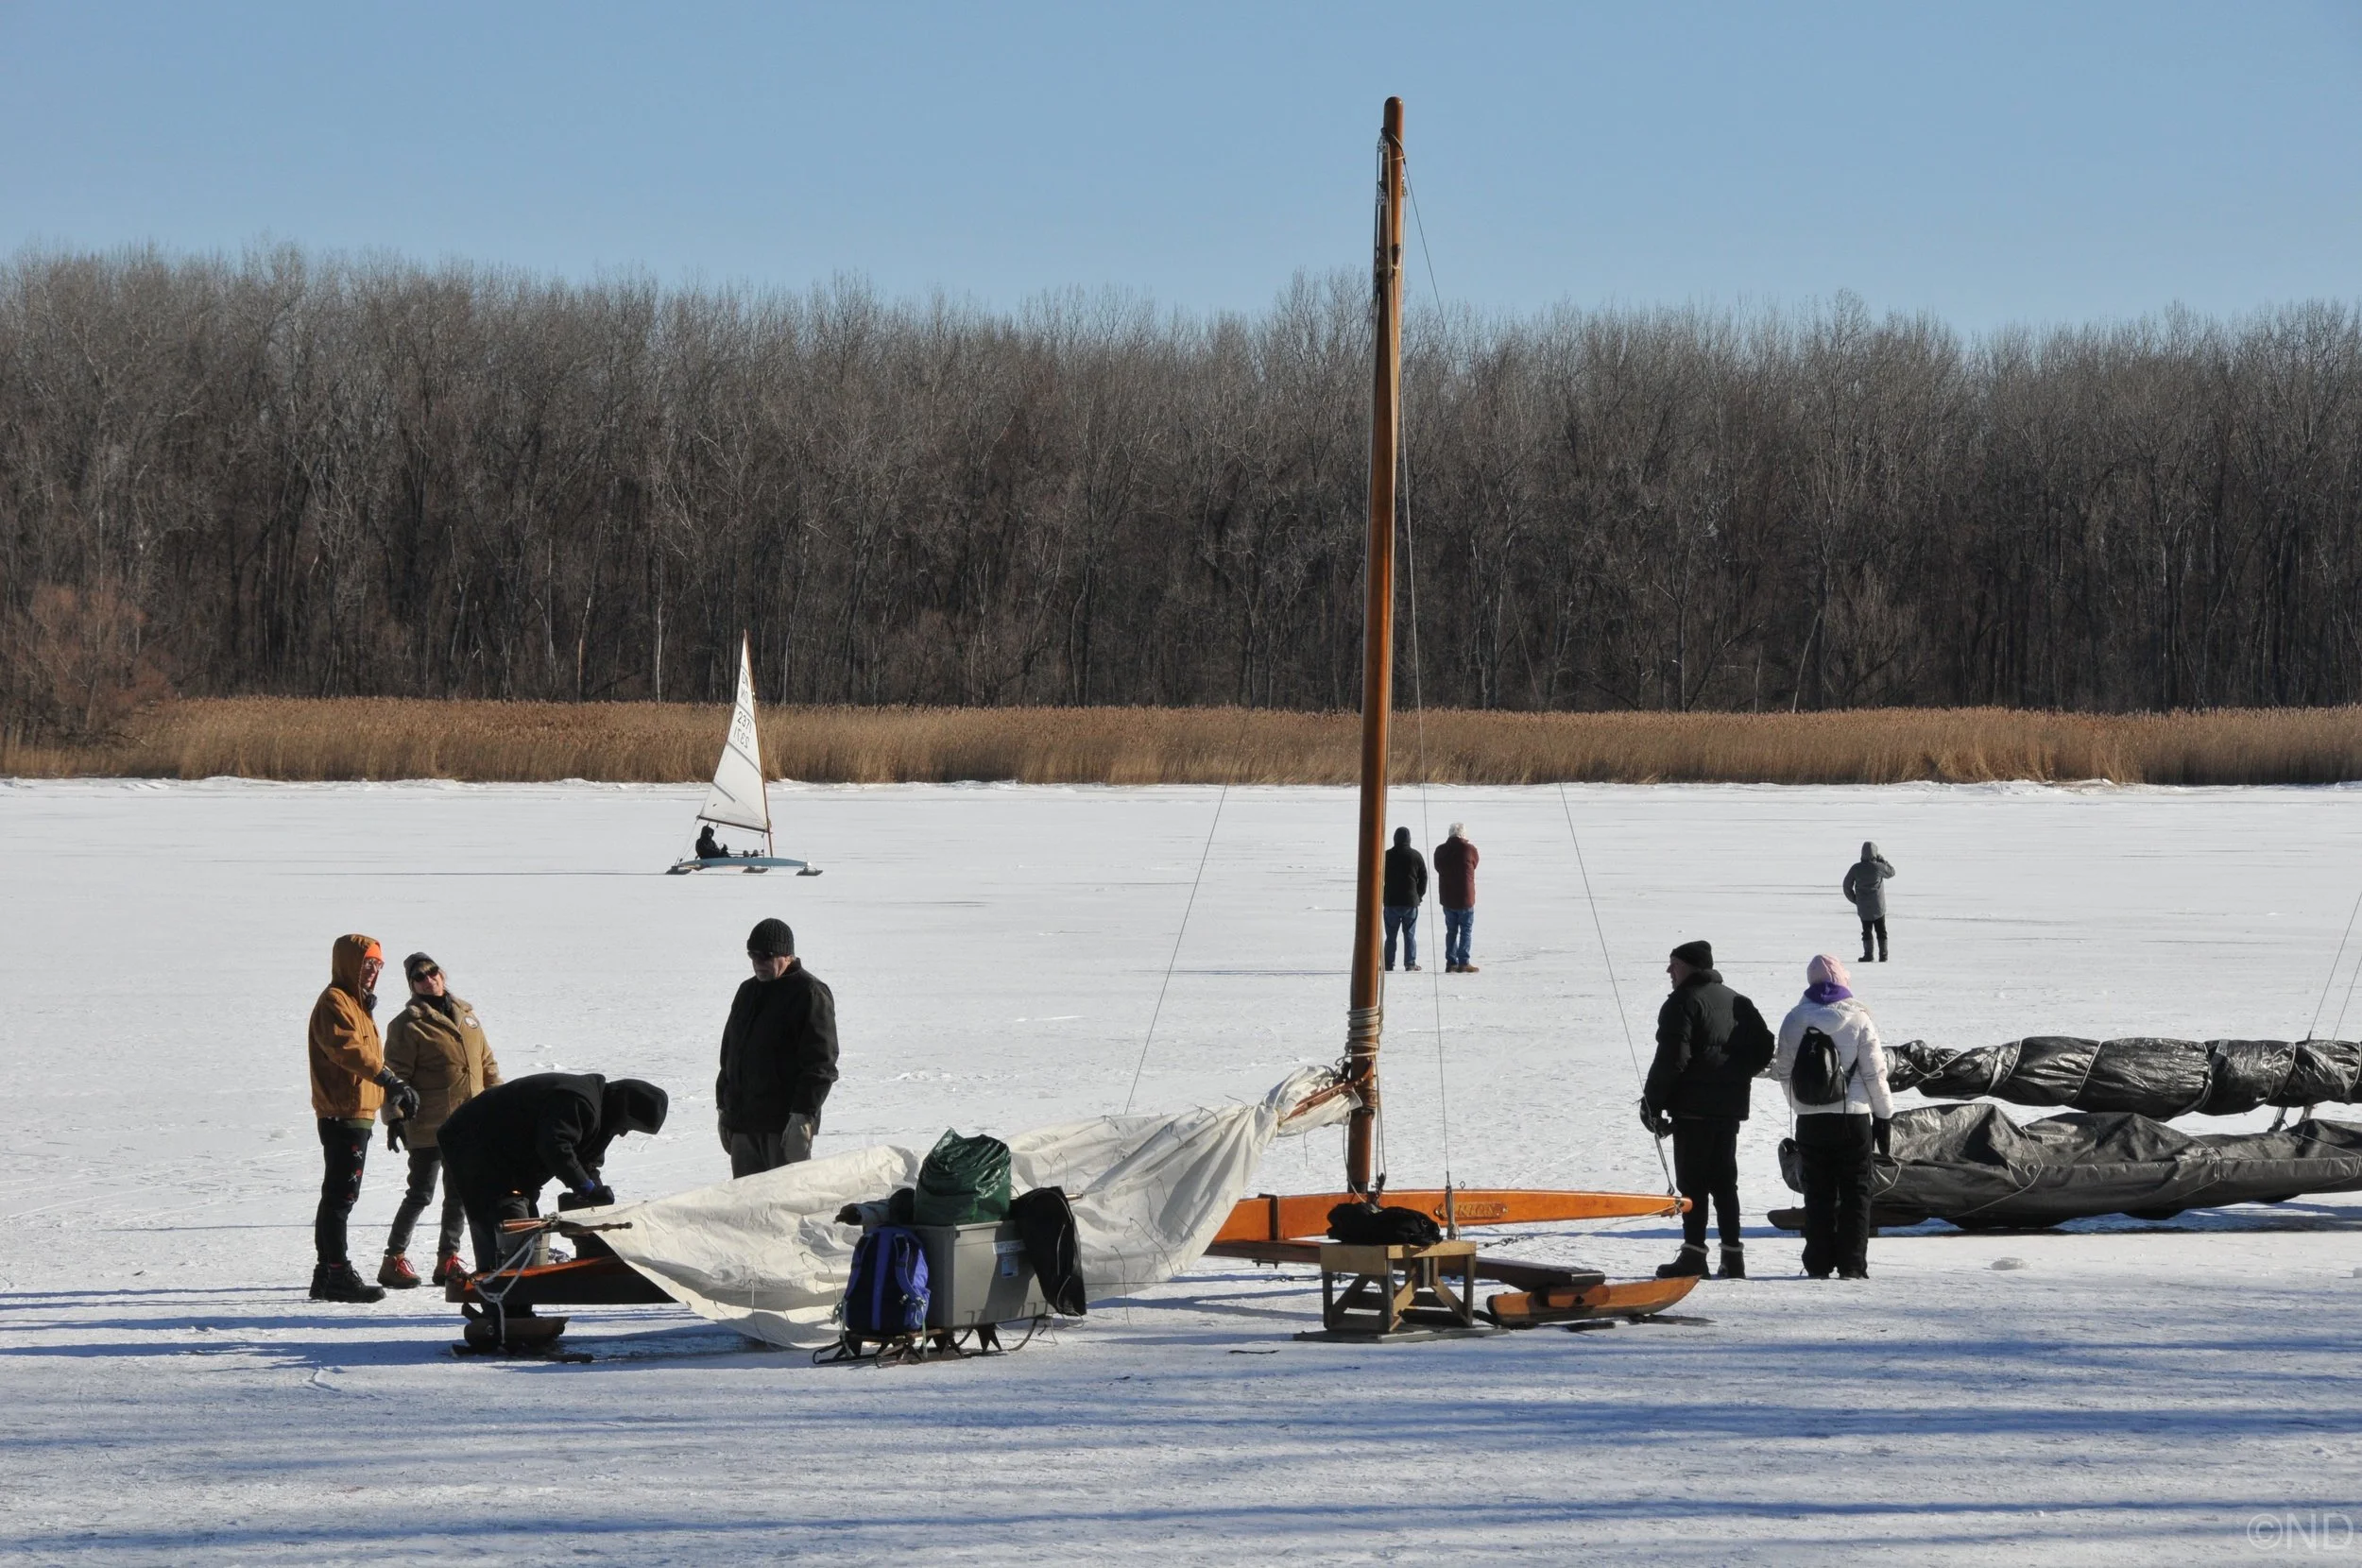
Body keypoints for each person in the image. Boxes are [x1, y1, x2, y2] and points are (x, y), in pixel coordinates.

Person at [436, 1073, 669, 1275]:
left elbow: (587, 1161)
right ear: (621, 1109)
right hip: (474, 1144)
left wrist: (595, 1194)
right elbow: (555, 1148)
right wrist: (585, 1188)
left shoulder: (602, 1115)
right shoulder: (579, 1102)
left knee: (527, 1226)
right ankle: (501, 1310)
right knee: (507, 1222)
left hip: (508, 1158)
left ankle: (514, 1305)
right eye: (627, 1125)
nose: (624, 1133)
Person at [1642, 939, 1774, 1280]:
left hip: (1693, 1111)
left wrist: (1651, 1103)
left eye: (1674, 964)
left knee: (1693, 1186)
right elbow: (1764, 1046)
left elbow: (1672, 1059)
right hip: (1727, 1110)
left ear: (1690, 967)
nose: (1669, 971)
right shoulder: (1737, 1000)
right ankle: (1733, 1255)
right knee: (1725, 1183)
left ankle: (1694, 1254)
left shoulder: (1683, 1002)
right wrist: (1733, 1075)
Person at [304, 933, 419, 1304]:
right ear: (349, 964)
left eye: (378, 966)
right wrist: (389, 1079)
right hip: (343, 1111)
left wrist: (391, 1107)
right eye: (367, 965)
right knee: (341, 1196)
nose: (373, 973)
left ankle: (325, 1273)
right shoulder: (335, 1002)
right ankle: (337, 1273)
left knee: (338, 1196)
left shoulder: (358, 1004)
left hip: (358, 1111)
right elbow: (349, 1051)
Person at [378, 952, 503, 1289]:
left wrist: (502, 1105)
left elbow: (486, 1064)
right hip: (429, 1124)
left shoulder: (467, 1016)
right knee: (420, 1193)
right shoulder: (407, 1024)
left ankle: (447, 1259)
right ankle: (393, 1259)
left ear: (442, 975)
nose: (428, 979)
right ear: (412, 984)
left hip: (469, 1124)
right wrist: (394, 1118)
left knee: (459, 1193)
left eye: (432, 972)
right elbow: (394, 1075)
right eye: (419, 976)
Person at [1772, 954, 1895, 1280]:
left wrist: (1801, 1106)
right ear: (1843, 981)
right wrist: (1883, 1116)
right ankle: (1853, 1264)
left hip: (1811, 1120)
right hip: (1853, 1118)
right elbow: (1874, 1074)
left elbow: (1783, 1070)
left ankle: (1818, 1262)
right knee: (1857, 1191)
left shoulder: (1795, 1018)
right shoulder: (1859, 1019)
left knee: (1817, 1191)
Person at [716, 918, 840, 1176]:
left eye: (766, 956)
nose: (757, 963)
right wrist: (724, 1109)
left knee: (782, 1205)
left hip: (782, 1128)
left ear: (787, 955)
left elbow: (821, 1064)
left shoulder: (809, 993)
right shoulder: (747, 991)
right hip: (743, 1124)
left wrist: (802, 1117)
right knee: (744, 1207)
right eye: (752, 955)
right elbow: (730, 1055)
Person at [1434, 822, 1480, 973]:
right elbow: (1475, 863)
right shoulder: (1470, 849)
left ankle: (1451, 962)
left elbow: (1438, 867)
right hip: (1466, 897)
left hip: (1448, 898)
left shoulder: (1440, 850)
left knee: (1451, 930)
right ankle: (1464, 962)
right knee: (1466, 930)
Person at [1842, 842, 1897, 963]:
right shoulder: (1878, 867)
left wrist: (1855, 900)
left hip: (1863, 907)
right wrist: (1882, 860)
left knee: (1866, 931)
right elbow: (1892, 872)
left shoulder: (1856, 868)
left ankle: (1868, 955)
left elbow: (1846, 886)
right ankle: (1883, 955)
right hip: (1878, 906)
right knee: (1881, 931)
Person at [1382, 827, 1427, 972]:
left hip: (1391, 901)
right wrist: (1419, 895)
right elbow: (1424, 878)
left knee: (1391, 935)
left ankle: (1388, 963)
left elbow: (1377, 876)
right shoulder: (1416, 856)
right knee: (1409, 934)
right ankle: (1410, 963)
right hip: (1410, 901)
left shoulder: (1386, 855)